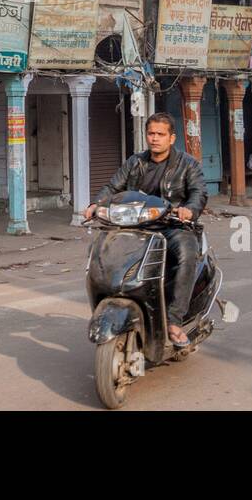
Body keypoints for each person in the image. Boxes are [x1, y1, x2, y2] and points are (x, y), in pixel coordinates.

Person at [84, 113, 207, 349]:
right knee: (100, 248)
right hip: (135, 226)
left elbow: (198, 193)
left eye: (160, 134)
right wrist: (95, 204)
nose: (154, 139)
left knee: (186, 252)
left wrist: (189, 210)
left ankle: (174, 319)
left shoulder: (188, 164)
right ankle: (108, 304)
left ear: (171, 138)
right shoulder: (135, 162)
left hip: (171, 227)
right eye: (151, 133)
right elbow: (113, 186)